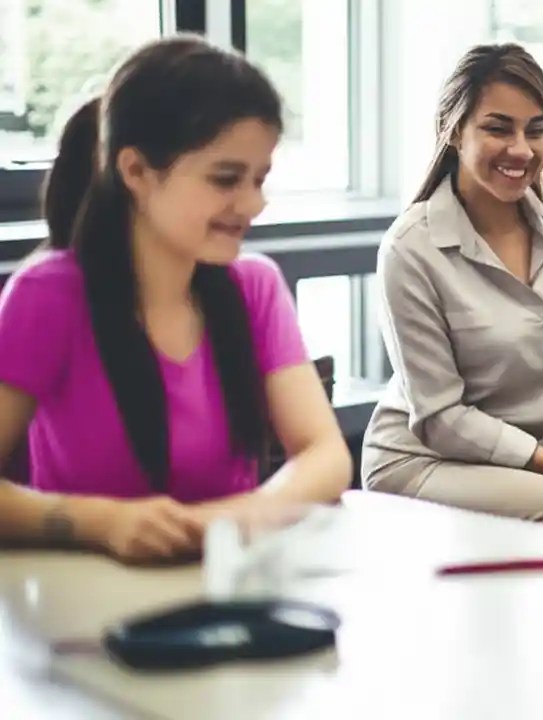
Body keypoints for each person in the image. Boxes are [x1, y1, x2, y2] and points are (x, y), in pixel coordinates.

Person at [0, 37, 351, 564]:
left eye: (259, 179)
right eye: (226, 179)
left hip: (224, 583)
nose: (253, 204)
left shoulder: (254, 284)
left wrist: (238, 516)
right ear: (136, 172)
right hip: (82, 597)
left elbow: (325, 456)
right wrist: (101, 523)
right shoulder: (47, 294)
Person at [362, 44, 543, 529]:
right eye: (497, 127)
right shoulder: (411, 247)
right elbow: (440, 417)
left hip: (532, 450)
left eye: (536, 129)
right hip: (426, 459)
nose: (522, 149)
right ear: (453, 130)